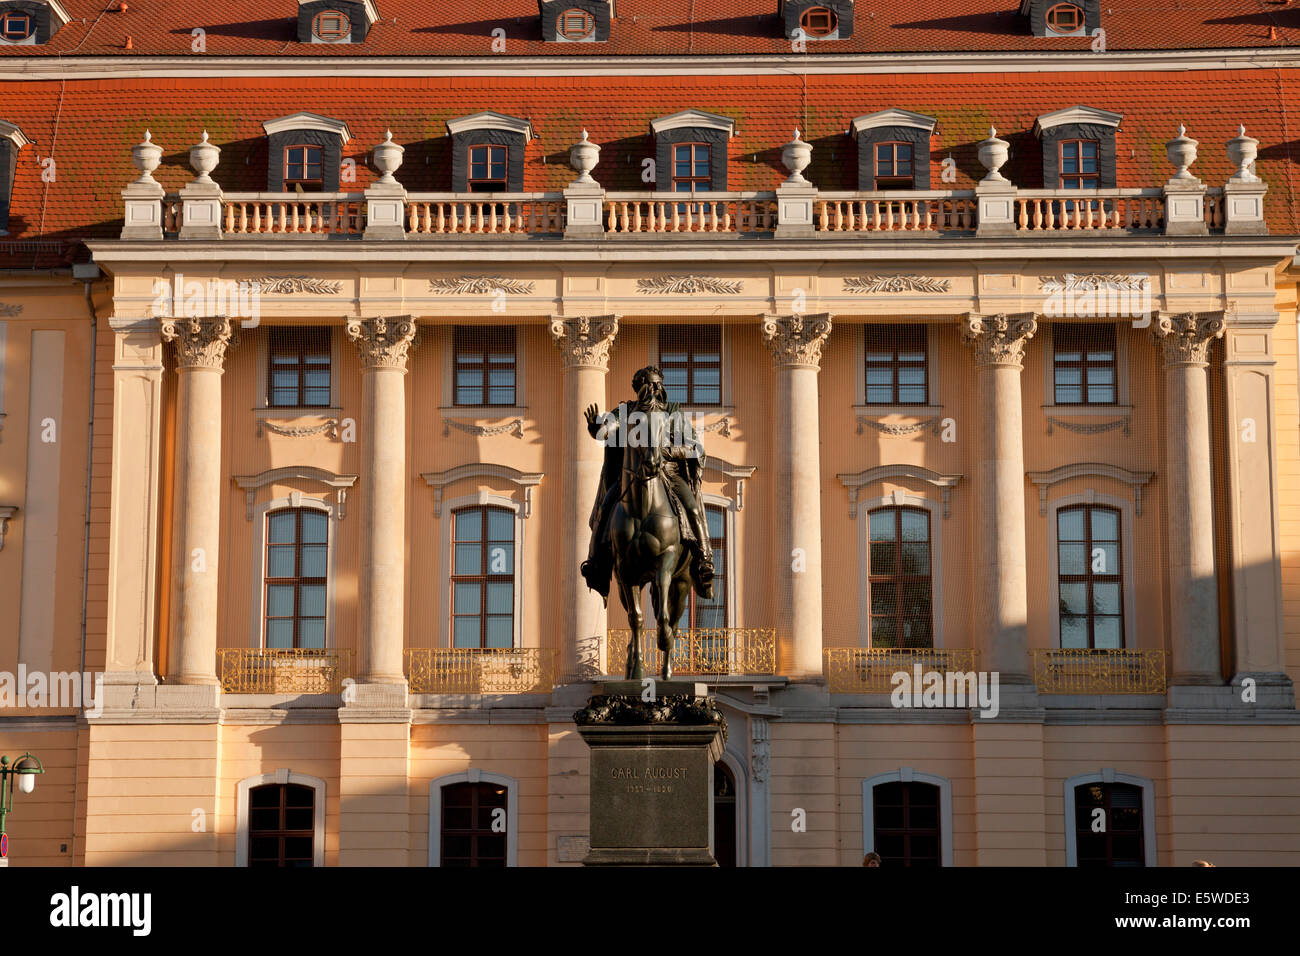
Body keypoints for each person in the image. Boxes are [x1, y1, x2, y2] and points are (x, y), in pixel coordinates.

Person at [581, 365, 715, 603]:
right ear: (639, 387)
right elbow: (606, 431)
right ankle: (594, 561)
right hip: (630, 477)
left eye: (655, 385)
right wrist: (595, 428)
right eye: (647, 385)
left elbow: (695, 448)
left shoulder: (672, 412)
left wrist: (668, 451)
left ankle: (704, 559)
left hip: (669, 474)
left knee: (693, 508)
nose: (652, 389)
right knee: (604, 508)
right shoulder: (626, 411)